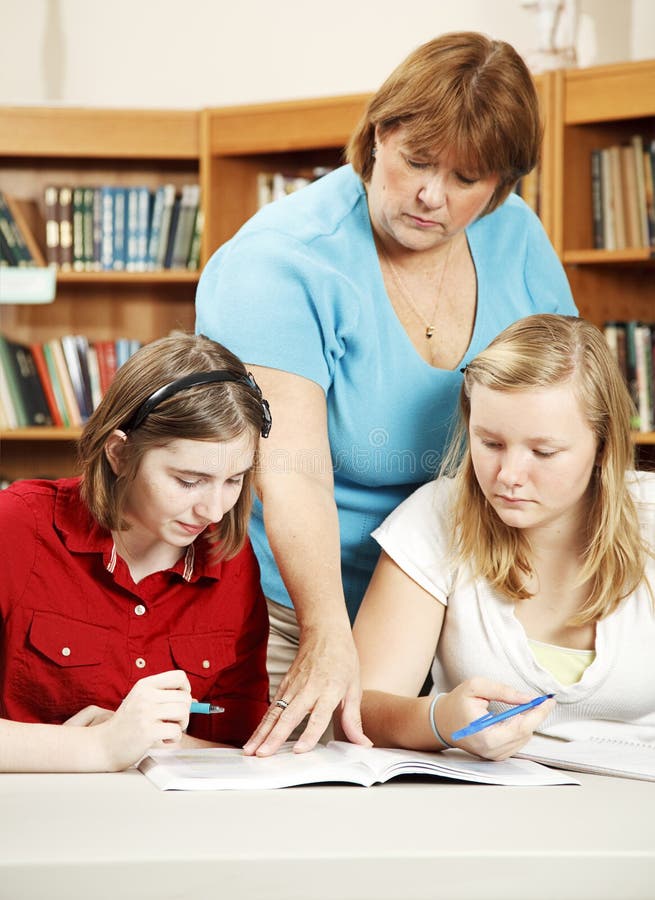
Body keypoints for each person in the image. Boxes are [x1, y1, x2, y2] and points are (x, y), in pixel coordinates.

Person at [195, 32, 577, 757]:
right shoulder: (279, 263)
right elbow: (293, 471)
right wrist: (326, 636)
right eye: (416, 161)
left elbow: (567, 411)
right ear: (377, 137)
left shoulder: (516, 236)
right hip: (300, 608)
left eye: (466, 178)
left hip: (469, 602)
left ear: (500, 186)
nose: (431, 194)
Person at [352, 314, 655, 759]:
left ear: (603, 446)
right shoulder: (433, 517)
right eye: (490, 443)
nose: (508, 476)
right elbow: (359, 713)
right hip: (483, 806)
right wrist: (440, 722)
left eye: (543, 451)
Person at [0, 332, 272, 772]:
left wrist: (165, 742)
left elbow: (246, 753)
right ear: (120, 454)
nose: (215, 509)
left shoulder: (231, 562)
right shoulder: (16, 528)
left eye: (234, 480)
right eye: (188, 480)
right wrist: (102, 748)